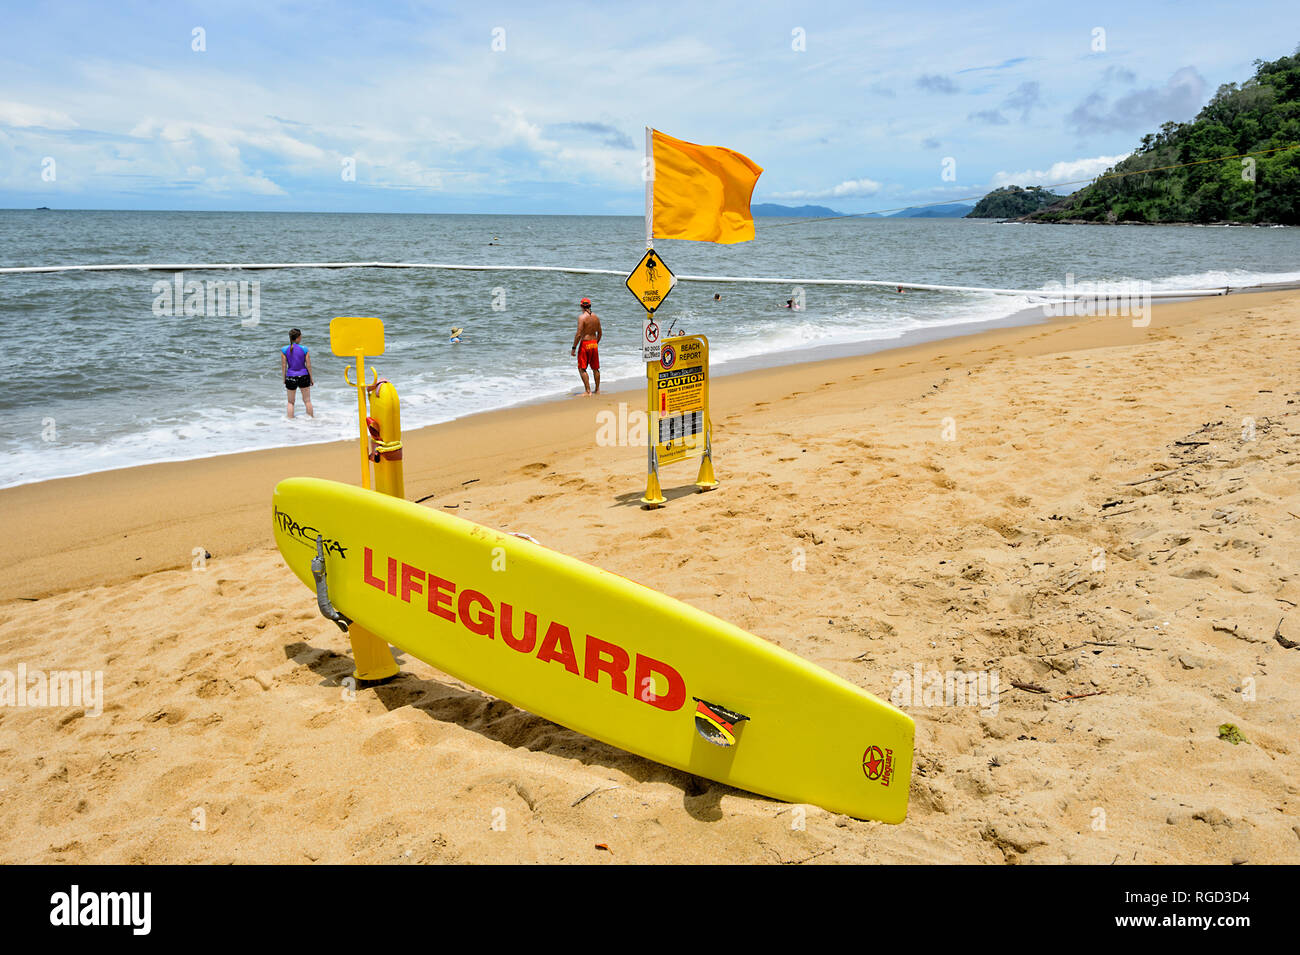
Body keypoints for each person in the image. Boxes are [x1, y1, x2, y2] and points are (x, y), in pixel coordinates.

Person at [571, 297, 602, 395]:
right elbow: (600, 333)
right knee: (595, 368)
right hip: (594, 343)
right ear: (590, 306)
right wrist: (595, 343)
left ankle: (588, 391)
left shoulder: (582, 317)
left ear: (581, 306)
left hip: (585, 344)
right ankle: (597, 390)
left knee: (582, 368)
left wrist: (574, 348)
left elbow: (579, 334)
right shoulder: (596, 317)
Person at [281, 328, 314, 418]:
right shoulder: (304, 349)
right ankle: (312, 421)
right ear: (299, 337)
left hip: (290, 377)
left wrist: (284, 379)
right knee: (307, 400)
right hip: (304, 376)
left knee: (290, 402)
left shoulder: (284, 350)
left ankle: (290, 423)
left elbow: (284, 366)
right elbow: (308, 365)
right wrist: (311, 378)